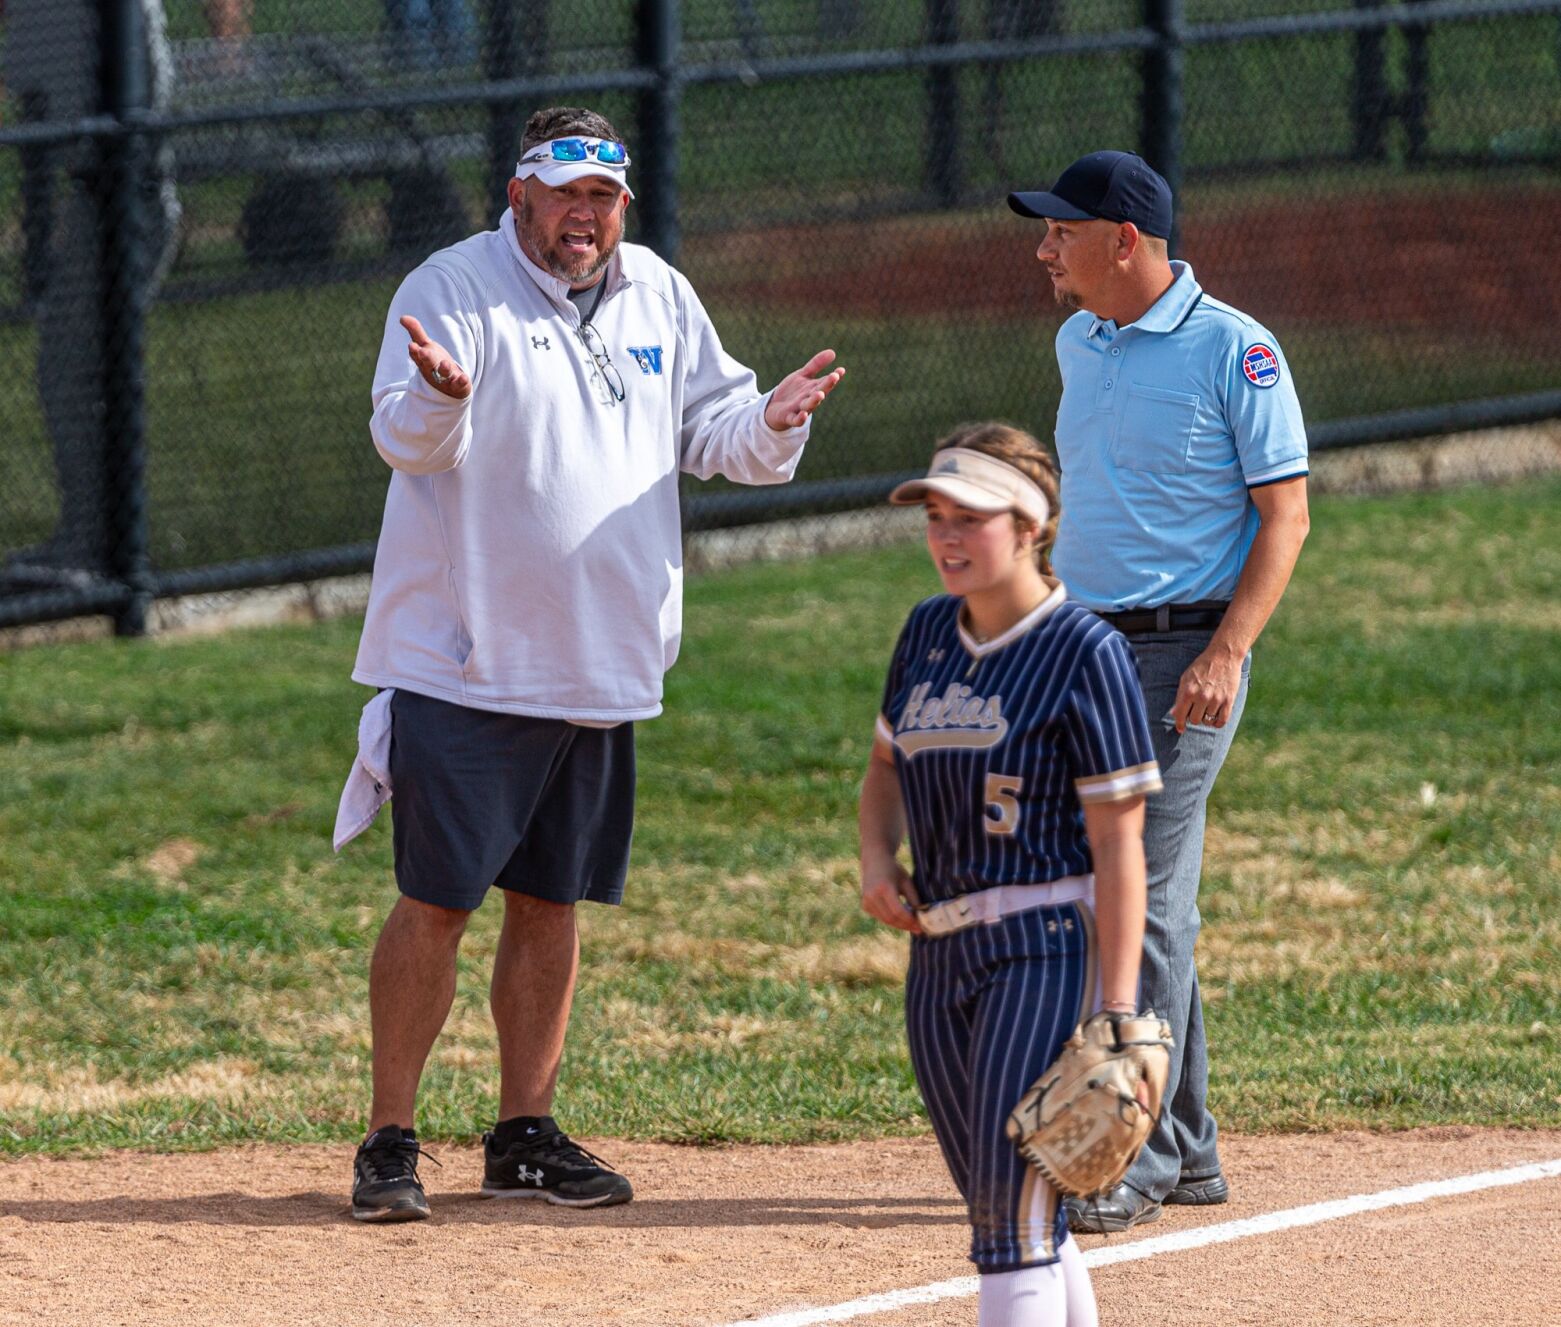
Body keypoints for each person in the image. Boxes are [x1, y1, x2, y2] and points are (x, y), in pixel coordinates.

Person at [336, 104, 845, 1222]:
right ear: (518, 194)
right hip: (467, 664)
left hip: (600, 662)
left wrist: (772, 419)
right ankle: (388, 1138)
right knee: (436, 900)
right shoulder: (451, 286)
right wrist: (441, 396)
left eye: (604, 197)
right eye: (565, 194)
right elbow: (402, 437)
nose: (586, 215)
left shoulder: (658, 291)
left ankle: (523, 1131)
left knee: (551, 900)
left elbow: (714, 431)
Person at [1007, 150, 1310, 1231]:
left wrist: (1225, 653)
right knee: (1136, 900)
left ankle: (1136, 1156)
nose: (1044, 250)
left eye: (1061, 231)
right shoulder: (1077, 342)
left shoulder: (1235, 349)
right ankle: (1188, 1145)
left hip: (1182, 660)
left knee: (1137, 900)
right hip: (1084, 654)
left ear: (1123, 240)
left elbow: (1285, 516)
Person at [858, 423, 1163, 1326]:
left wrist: (1116, 1006)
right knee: (1010, 1205)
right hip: (939, 953)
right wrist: (875, 856)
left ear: (1031, 526)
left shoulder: (1083, 649)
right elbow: (883, 767)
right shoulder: (927, 631)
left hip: (1046, 945)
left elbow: (1120, 842)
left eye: (971, 518)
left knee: (1009, 1215)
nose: (947, 536)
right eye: (936, 517)